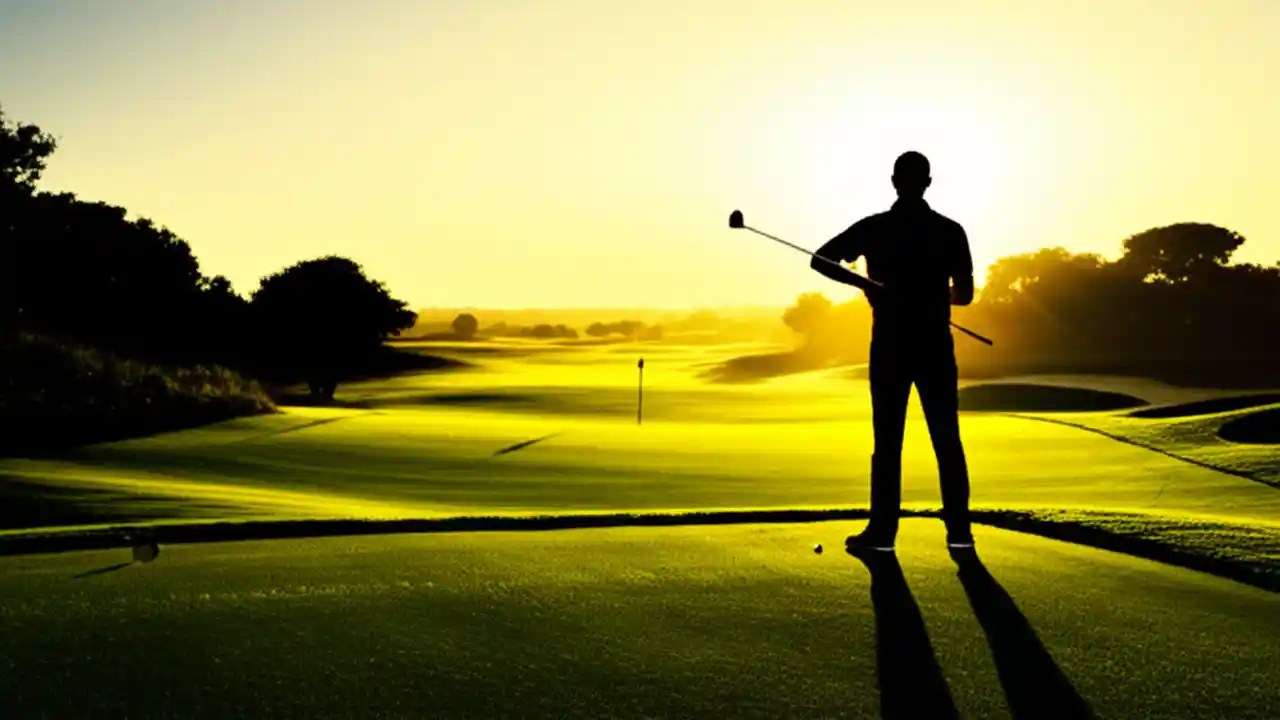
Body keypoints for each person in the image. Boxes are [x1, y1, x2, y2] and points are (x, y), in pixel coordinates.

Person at [811, 151, 974, 552]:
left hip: (890, 346)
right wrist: (932, 298)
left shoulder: (875, 228)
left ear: (894, 181)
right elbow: (966, 295)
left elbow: (821, 260)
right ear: (928, 183)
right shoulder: (950, 231)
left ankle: (883, 533)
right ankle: (959, 534)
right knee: (946, 439)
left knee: (888, 443)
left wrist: (867, 286)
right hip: (935, 344)